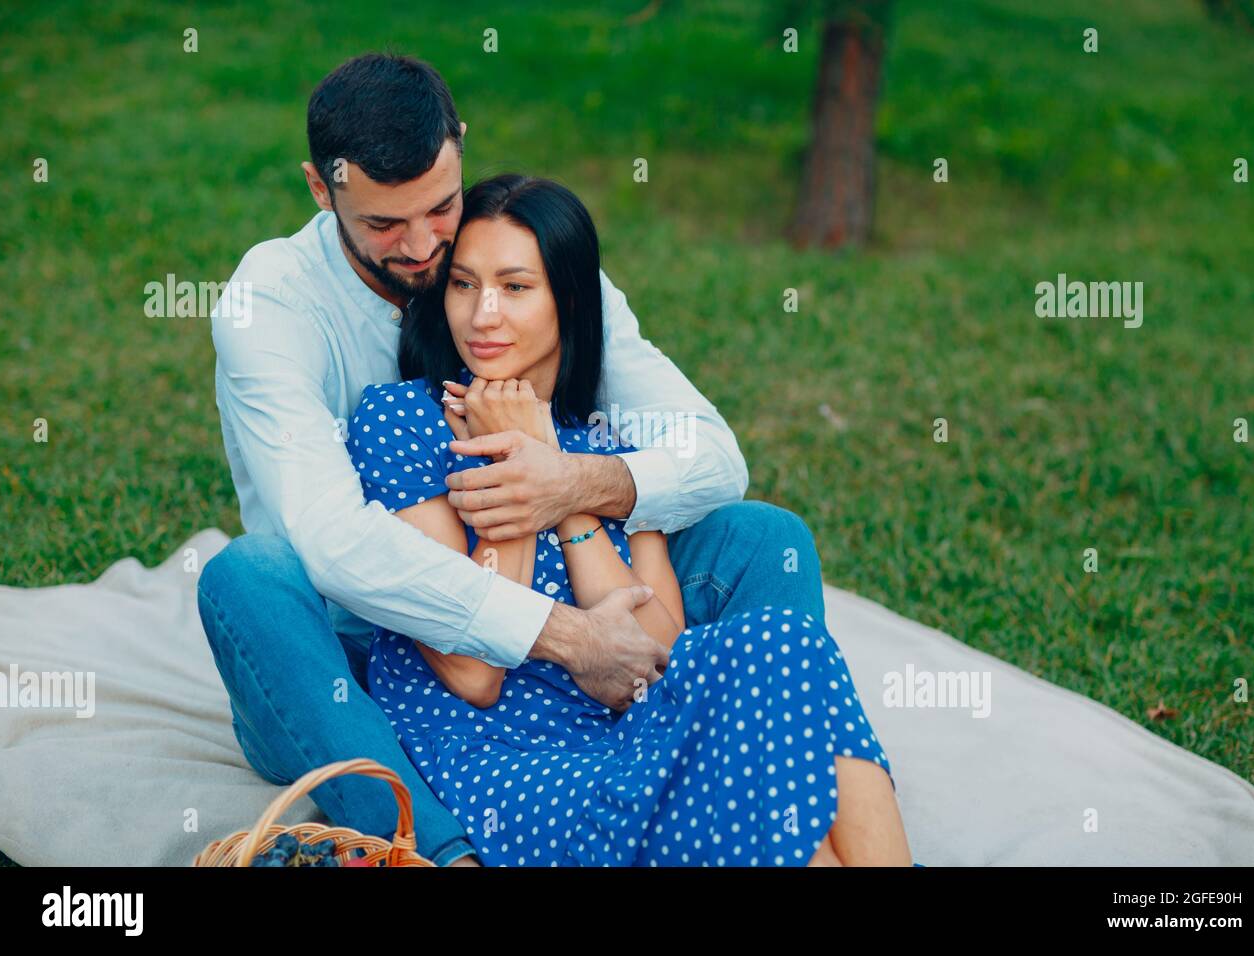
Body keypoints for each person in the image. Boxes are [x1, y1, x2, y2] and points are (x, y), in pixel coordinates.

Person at [197, 52, 846, 866]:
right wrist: (565, 635)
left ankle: (790, 797)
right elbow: (331, 541)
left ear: (460, 149)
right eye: (383, 225)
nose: (424, 248)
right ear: (321, 190)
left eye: (439, 207)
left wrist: (570, 482)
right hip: (346, 651)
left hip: (539, 613)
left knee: (758, 535)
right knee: (248, 575)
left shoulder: (501, 259)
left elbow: (712, 452)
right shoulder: (273, 304)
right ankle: (431, 849)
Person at [350, 173, 912, 866]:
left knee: (783, 644)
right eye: (464, 284)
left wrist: (559, 477)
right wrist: (517, 472)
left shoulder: (606, 447)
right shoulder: (401, 419)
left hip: (620, 739)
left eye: (516, 287)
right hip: (500, 766)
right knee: (767, 806)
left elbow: (655, 658)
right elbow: (473, 669)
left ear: (571, 300)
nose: (483, 314)